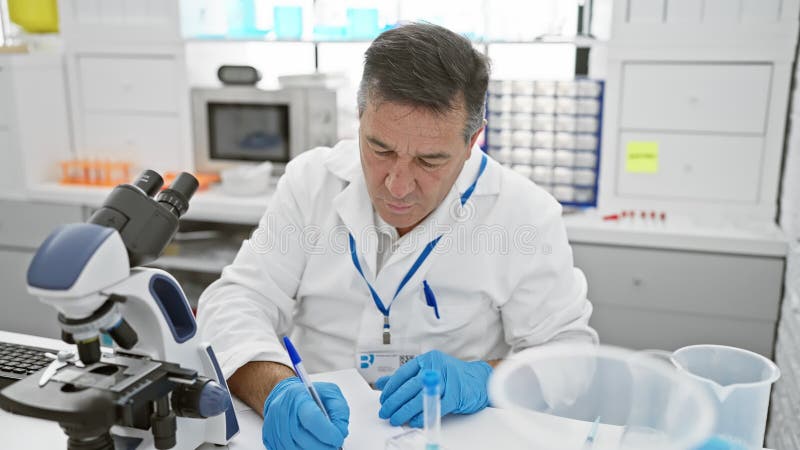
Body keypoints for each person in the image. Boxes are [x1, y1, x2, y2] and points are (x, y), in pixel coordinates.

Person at [197, 22, 597, 450]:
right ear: (360, 118)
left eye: (429, 161)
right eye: (381, 149)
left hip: (448, 437)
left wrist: (484, 381)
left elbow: (570, 357)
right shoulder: (311, 182)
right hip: (314, 434)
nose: (398, 186)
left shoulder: (524, 215)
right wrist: (276, 389)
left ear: (472, 141)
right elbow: (236, 302)